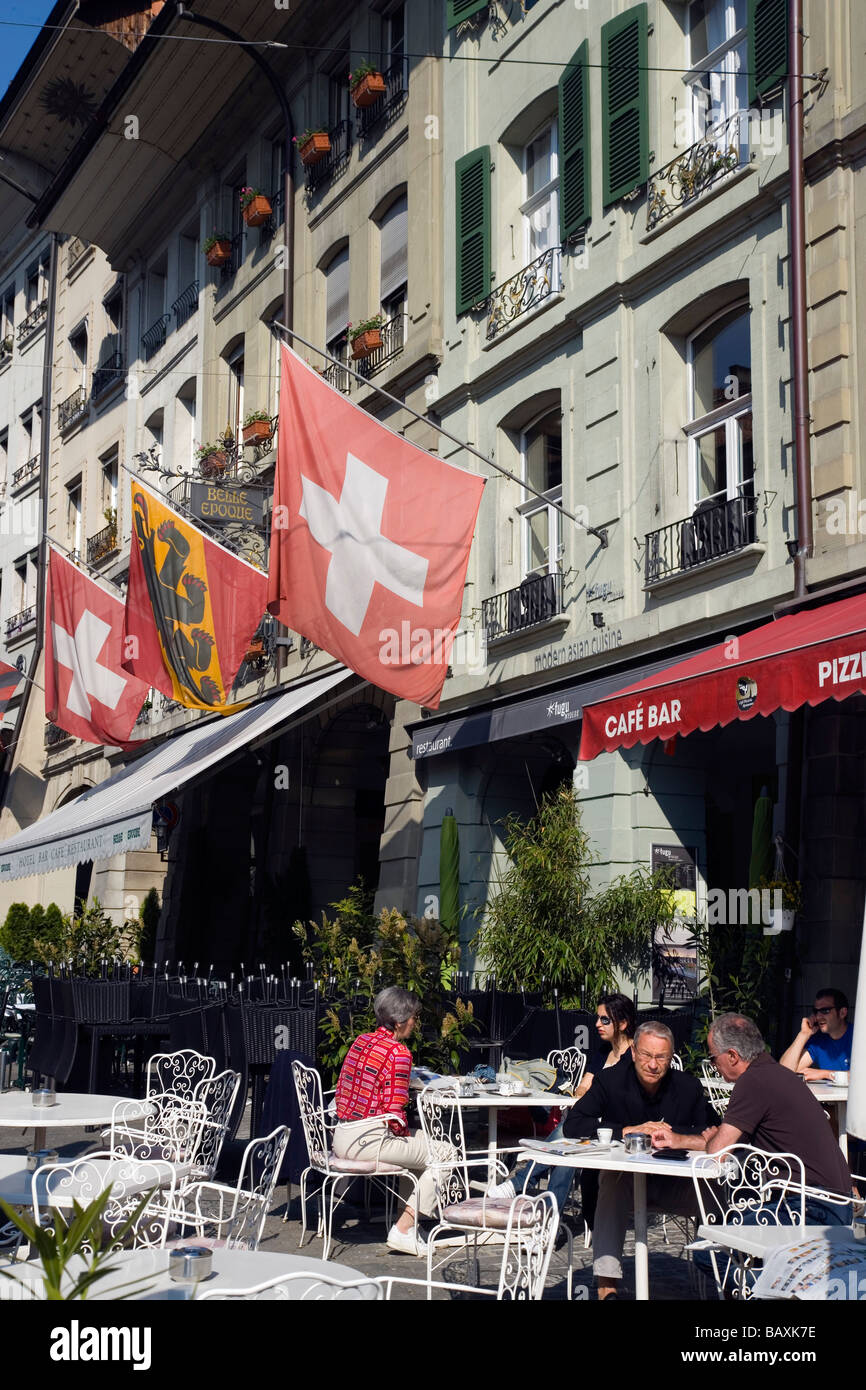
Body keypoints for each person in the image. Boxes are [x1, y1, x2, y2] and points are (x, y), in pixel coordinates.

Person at [562, 1020, 716, 1299]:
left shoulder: (688, 1086)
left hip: (675, 1184)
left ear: (671, 1058)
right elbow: (574, 1124)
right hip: (626, 1185)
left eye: (661, 1058)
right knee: (610, 1181)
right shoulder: (610, 1081)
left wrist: (673, 1134)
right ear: (633, 1052)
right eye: (646, 1055)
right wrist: (626, 1130)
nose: (653, 1065)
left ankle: (731, 1280)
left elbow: (713, 1132)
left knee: (720, 1191)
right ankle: (606, 1289)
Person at [669, 1013, 852, 1223]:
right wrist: (679, 1140)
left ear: (732, 1056)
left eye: (712, 1058)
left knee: (711, 1245)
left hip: (811, 1207)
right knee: (721, 1225)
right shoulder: (775, 1073)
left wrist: (714, 1140)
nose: (713, 1066)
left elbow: (717, 1153)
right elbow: (731, 1143)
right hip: (832, 1202)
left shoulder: (753, 1082)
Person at [486, 994, 637, 1224]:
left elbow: (623, 1099)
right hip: (588, 1124)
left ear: (623, 1024)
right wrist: (586, 1097)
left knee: (568, 1135)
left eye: (605, 1020)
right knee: (567, 1153)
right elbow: (583, 1087)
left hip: (612, 1129)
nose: (597, 1024)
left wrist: (591, 1101)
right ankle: (550, 1226)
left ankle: (522, 1186)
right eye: (598, 1018)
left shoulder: (634, 1056)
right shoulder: (602, 1052)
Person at [332, 985, 451, 1256]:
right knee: (446, 1152)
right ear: (399, 1021)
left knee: (422, 1143)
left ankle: (406, 1222)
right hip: (370, 1140)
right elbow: (394, 1111)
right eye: (414, 1018)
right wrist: (403, 1132)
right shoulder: (399, 1054)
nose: (415, 1023)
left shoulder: (361, 1040)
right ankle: (404, 1228)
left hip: (343, 1134)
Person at [779, 988, 853, 1080]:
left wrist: (825, 1074)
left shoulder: (859, 1036)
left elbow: (861, 1076)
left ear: (842, 1013)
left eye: (825, 1011)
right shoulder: (818, 1040)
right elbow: (784, 1072)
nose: (818, 1016)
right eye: (816, 1011)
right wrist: (803, 1034)